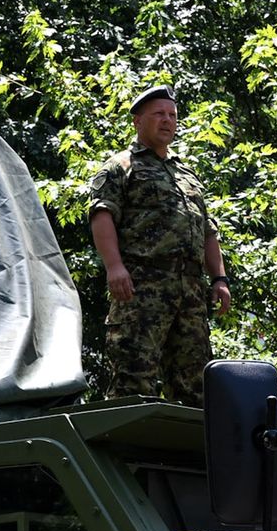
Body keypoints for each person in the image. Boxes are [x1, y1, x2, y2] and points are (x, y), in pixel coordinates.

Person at [86, 86, 232, 405]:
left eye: (172, 115)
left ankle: (190, 453)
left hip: (190, 293)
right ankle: (130, 452)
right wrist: (114, 267)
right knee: (133, 378)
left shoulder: (187, 174)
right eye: (159, 114)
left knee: (197, 385)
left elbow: (208, 230)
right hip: (142, 288)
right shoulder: (120, 167)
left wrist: (219, 279)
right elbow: (102, 215)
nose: (167, 121)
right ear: (138, 121)